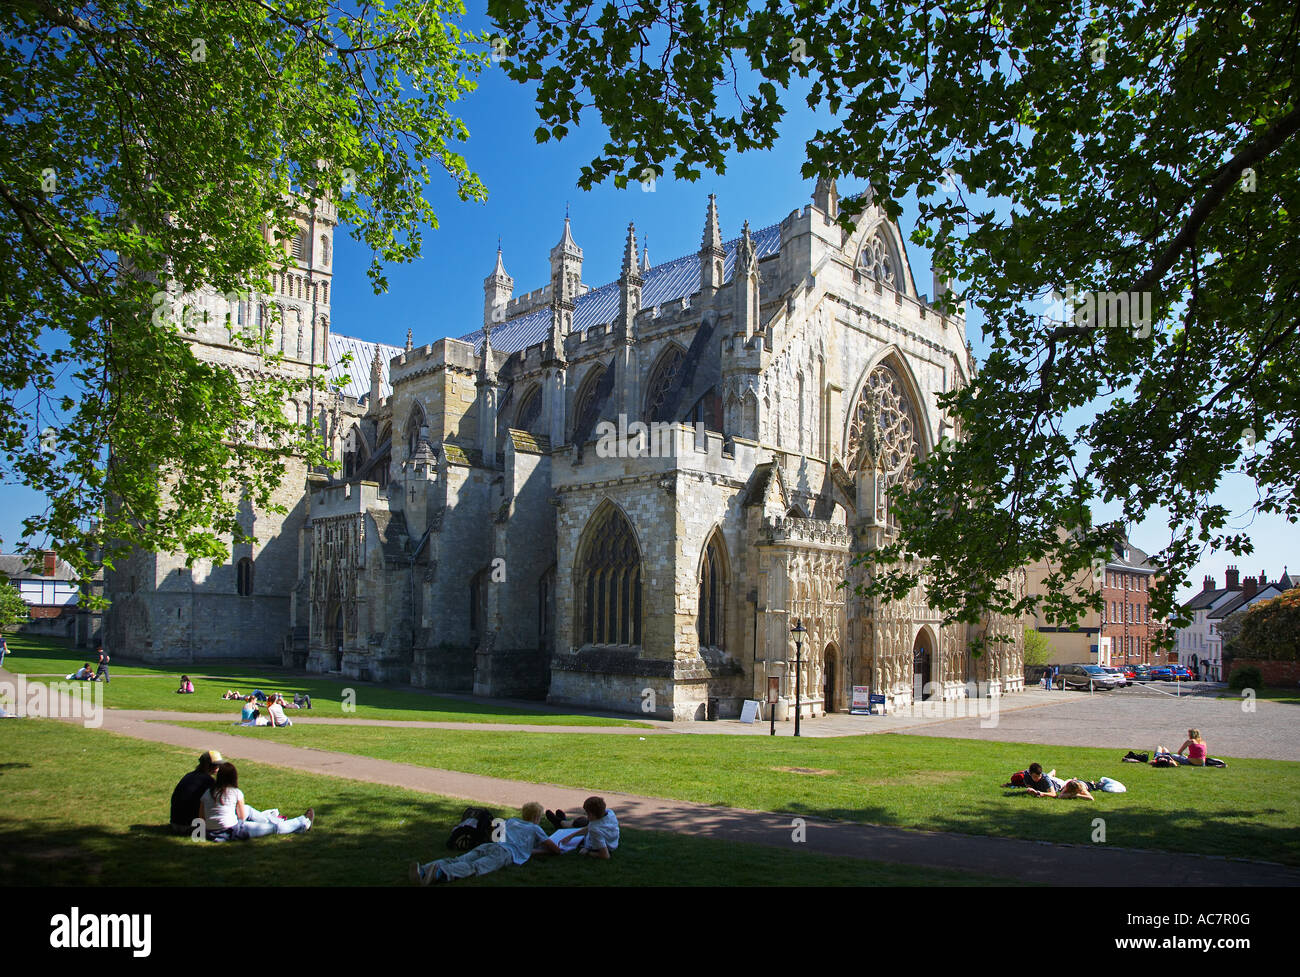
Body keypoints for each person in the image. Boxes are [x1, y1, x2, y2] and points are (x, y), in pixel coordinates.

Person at [410, 801, 562, 884]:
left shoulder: (511, 821)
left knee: (460, 859)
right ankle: (441, 873)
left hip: (492, 845)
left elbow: (496, 836)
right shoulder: (535, 828)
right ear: (537, 817)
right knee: (477, 866)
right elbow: (554, 849)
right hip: (505, 853)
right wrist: (545, 851)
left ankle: (424, 869)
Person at [199, 762, 314, 840]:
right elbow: (242, 818)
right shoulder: (235, 792)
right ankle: (303, 822)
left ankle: (271, 819)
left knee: (248, 808)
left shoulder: (207, 792)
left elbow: (201, 817)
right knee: (274, 828)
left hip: (210, 831)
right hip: (231, 831)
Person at [169, 750, 225, 834]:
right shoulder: (208, 781)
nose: (218, 768)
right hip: (192, 827)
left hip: (175, 823)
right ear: (206, 765)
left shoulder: (189, 775)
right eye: (216, 765)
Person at [548, 796, 619, 859]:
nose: (587, 816)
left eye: (587, 813)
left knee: (580, 822)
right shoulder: (610, 813)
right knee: (583, 821)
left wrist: (587, 852)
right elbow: (589, 827)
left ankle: (560, 823)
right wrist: (571, 836)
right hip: (610, 842)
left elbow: (605, 855)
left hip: (596, 846)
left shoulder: (595, 829)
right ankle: (562, 822)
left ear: (592, 814)